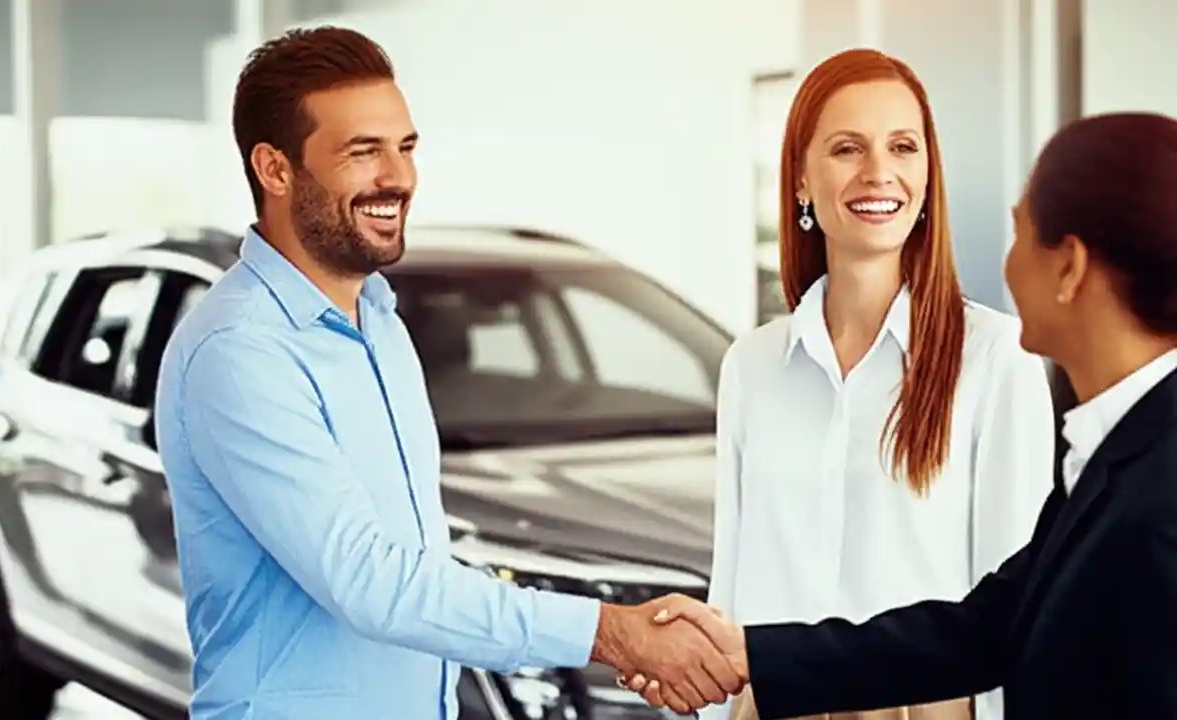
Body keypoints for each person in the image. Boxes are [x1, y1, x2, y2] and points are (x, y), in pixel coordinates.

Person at [153, 25, 745, 719]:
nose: (397, 178)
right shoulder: (239, 351)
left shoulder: (381, 325)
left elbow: (420, 569)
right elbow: (370, 582)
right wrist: (611, 632)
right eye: (362, 151)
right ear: (275, 169)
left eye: (404, 148)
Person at [635, 110, 1177, 719]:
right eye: (846, 148)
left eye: (1020, 235)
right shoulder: (1112, 456)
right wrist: (750, 656)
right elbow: (986, 628)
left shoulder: (1156, 494)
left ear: (1070, 267)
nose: (1006, 265)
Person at [672, 48, 1056, 720]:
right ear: (800, 179)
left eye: (903, 147)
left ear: (927, 172)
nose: (880, 172)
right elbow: (729, 582)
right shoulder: (752, 365)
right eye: (847, 148)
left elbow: (1019, 611)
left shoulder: (998, 359)